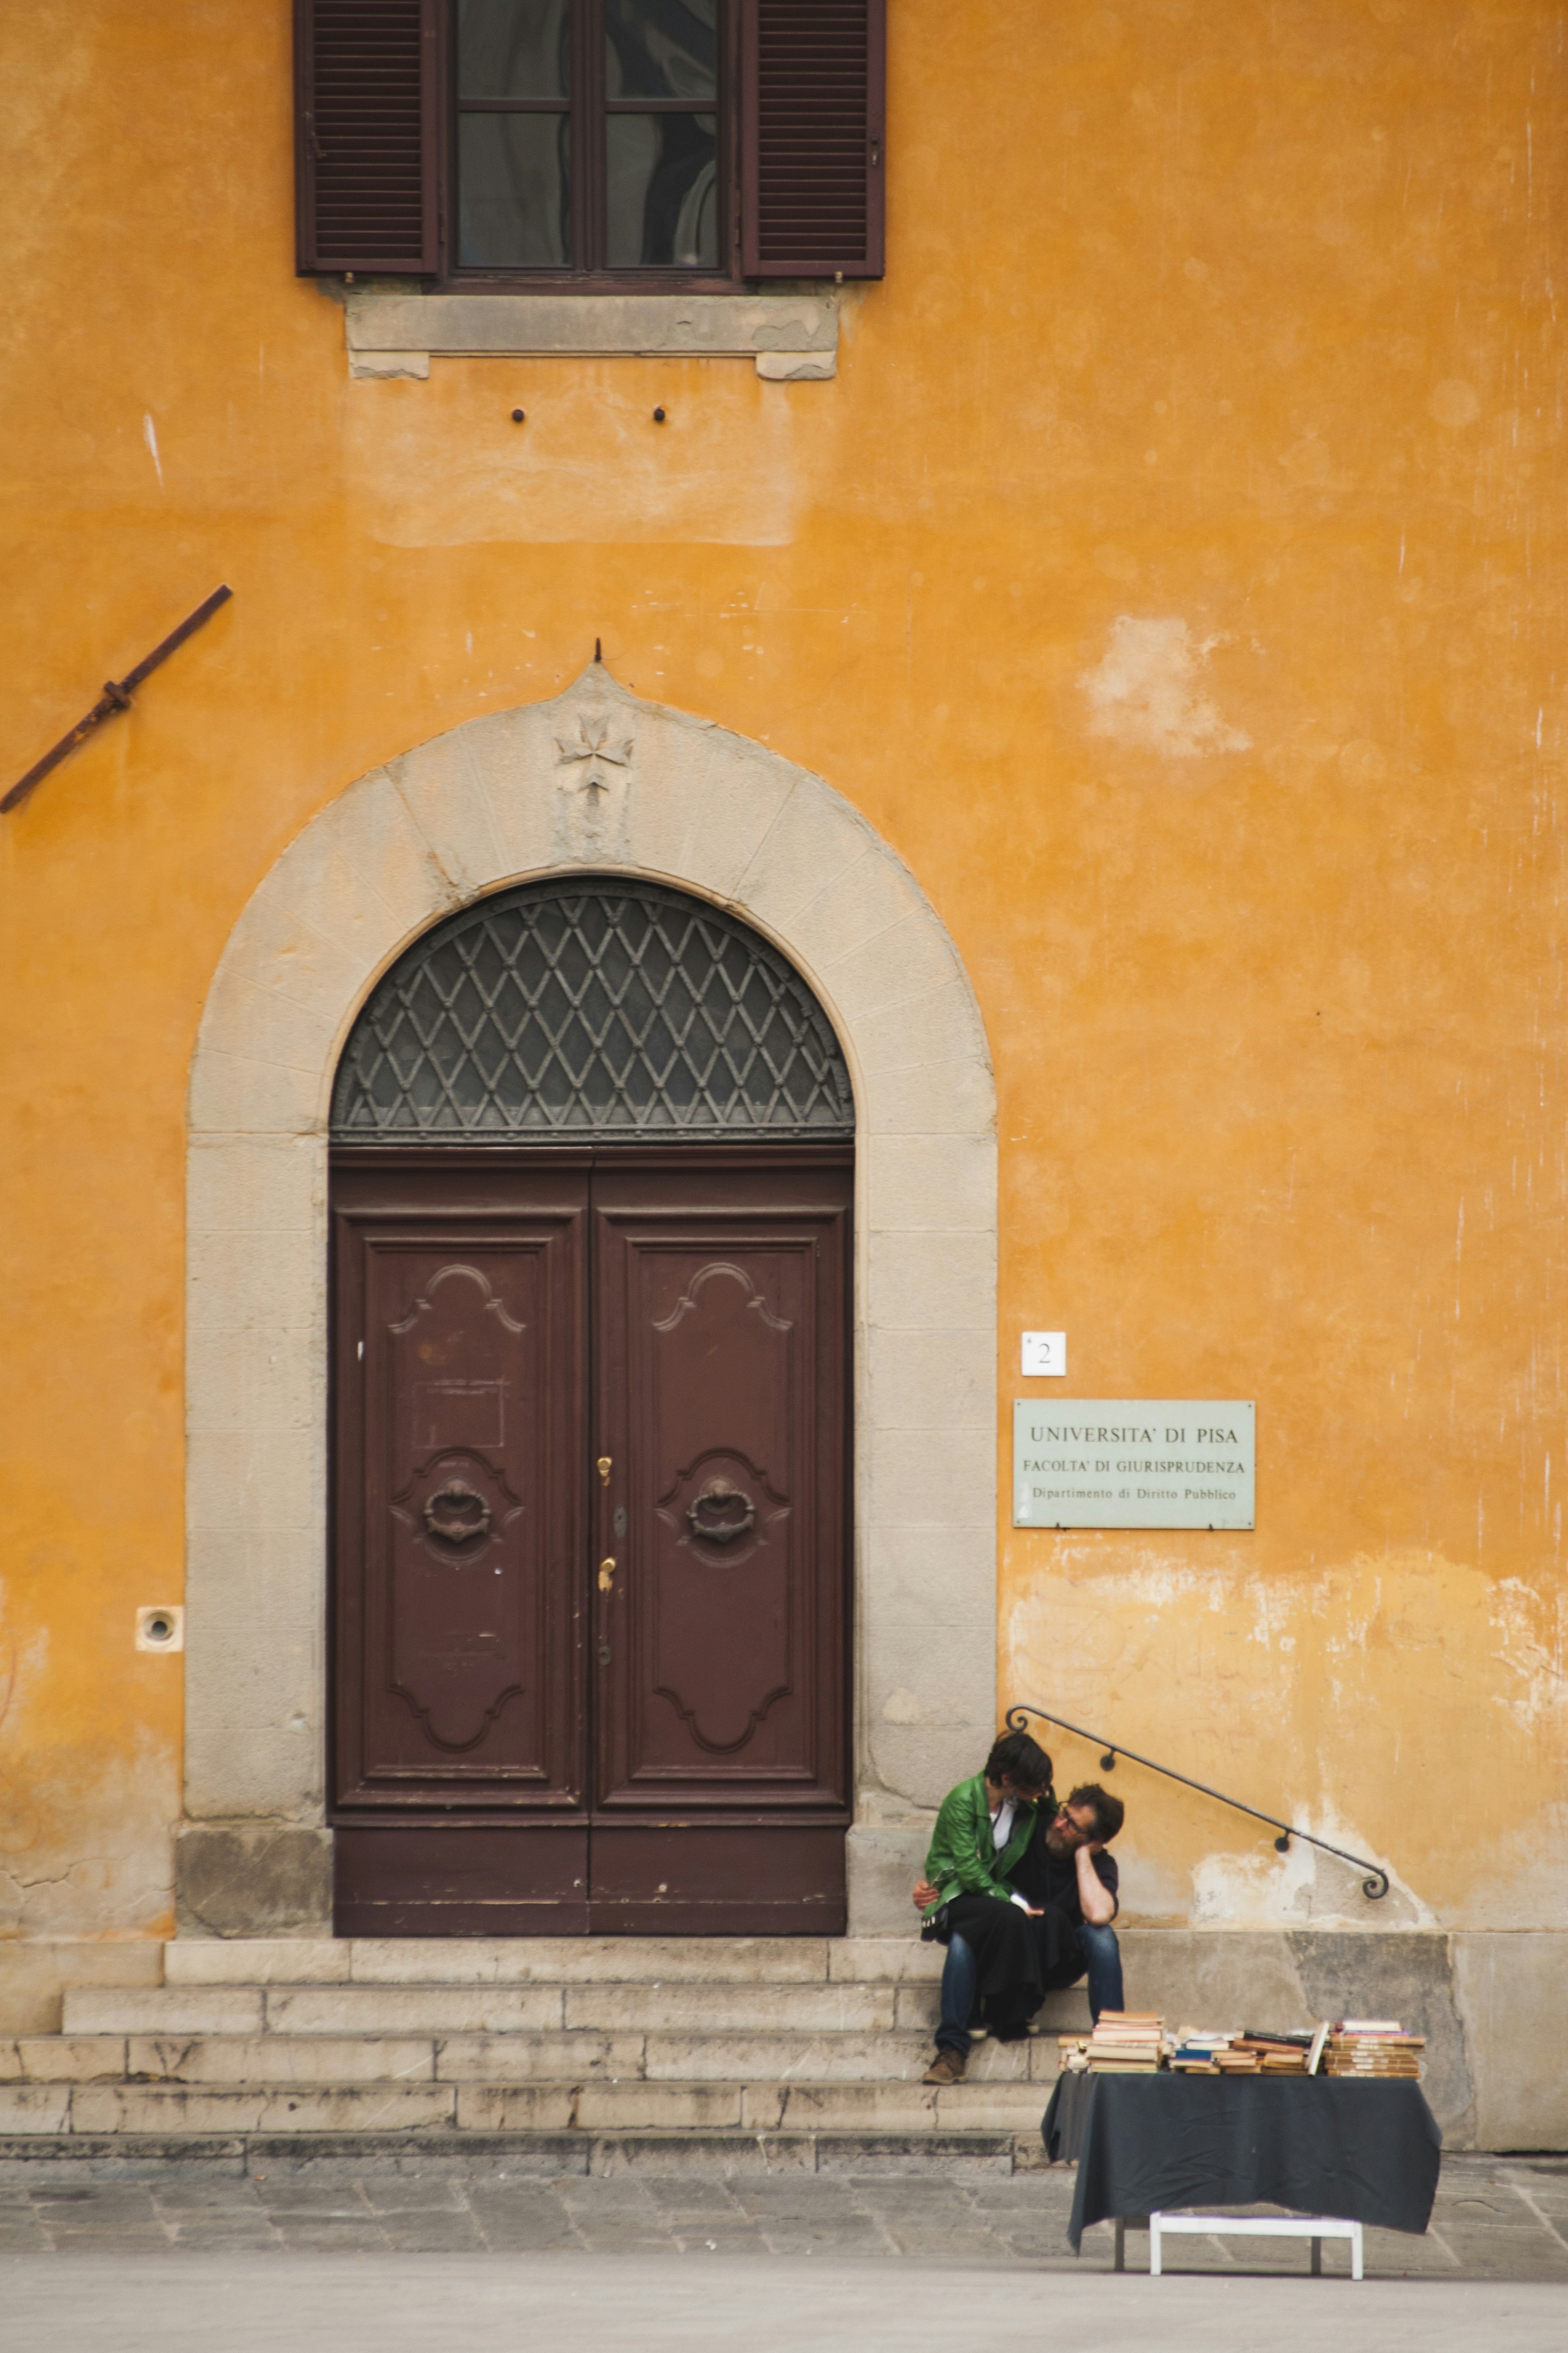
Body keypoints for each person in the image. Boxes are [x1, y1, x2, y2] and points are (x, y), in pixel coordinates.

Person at [915, 1781, 1127, 2085]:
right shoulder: (1027, 1830)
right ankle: (951, 2051)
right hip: (1006, 1952)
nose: (1059, 1823)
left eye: (1071, 1826)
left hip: (1053, 1961)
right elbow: (969, 1865)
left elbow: (1098, 1914)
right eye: (1063, 1814)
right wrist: (931, 1888)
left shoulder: (1101, 1864)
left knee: (1102, 1936)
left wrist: (1083, 1857)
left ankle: (1113, 2046)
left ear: (1095, 1840)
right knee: (964, 1938)